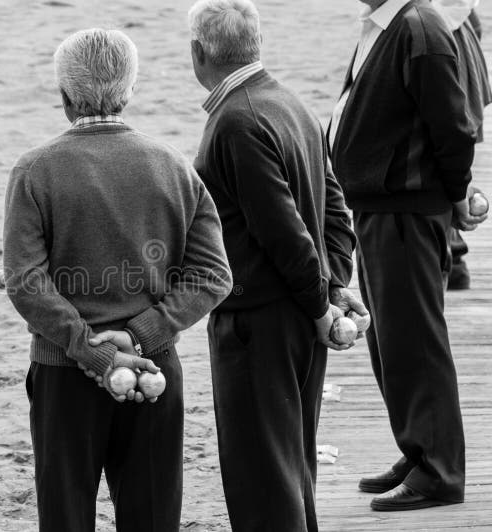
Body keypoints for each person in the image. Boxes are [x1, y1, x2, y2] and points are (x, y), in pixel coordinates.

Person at [3, 28, 232, 532]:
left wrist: (92, 349)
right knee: (152, 518)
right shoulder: (173, 166)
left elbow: (25, 283)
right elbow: (213, 276)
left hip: (65, 372)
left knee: (65, 518)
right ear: (130, 92)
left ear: (65, 97)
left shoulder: (35, 170)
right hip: (154, 369)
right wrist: (141, 334)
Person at [187, 1, 361, 530]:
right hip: (299, 317)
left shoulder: (236, 121)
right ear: (255, 43)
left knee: (262, 481)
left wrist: (319, 305)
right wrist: (332, 290)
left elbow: (284, 233)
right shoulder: (289, 101)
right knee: (291, 470)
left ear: (199, 54)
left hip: (260, 325)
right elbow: (336, 209)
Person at [329, 0, 487, 512]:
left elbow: (455, 126)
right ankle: (418, 449)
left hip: (407, 209)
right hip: (380, 206)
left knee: (415, 341)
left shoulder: (419, 28)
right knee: (392, 342)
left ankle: (439, 470)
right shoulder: (388, 24)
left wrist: (457, 193)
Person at [431, 0, 492, 289]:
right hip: (453, 32)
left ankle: (451, 257)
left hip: (443, 34)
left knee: (444, 144)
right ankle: (454, 258)